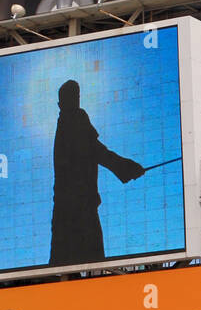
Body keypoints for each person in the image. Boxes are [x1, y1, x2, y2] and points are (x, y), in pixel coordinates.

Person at [49, 80, 145, 266]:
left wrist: (126, 168)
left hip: (65, 210)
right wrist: (127, 168)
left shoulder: (65, 123)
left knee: (62, 264)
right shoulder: (75, 120)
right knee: (93, 261)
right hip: (80, 209)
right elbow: (97, 151)